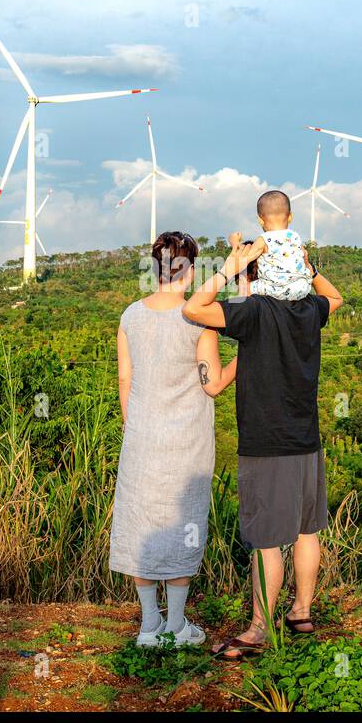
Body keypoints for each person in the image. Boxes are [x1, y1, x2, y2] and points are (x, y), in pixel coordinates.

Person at [183, 191, 344, 659]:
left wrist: (231, 266)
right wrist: (308, 269)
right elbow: (335, 296)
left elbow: (194, 309)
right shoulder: (309, 312)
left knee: (267, 541)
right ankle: (302, 610)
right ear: (290, 224)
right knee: (307, 532)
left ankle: (258, 629)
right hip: (307, 439)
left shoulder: (252, 313)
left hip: (265, 441)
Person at [111, 231, 237, 647]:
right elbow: (214, 384)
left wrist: (136, 427)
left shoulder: (130, 316)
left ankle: (150, 625)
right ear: (191, 269)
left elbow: (125, 378)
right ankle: (179, 625)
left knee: (142, 522)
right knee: (184, 522)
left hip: (142, 437)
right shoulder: (198, 317)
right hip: (187, 441)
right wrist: (249, 356)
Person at [229, 190, 313, 300]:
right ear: (290, 217)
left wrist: (234, 242)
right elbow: (304, 255)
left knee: (245, 289)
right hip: (302, 289)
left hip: (274, 291)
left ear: (260, 220)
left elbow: (244, 257)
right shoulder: (296, 237)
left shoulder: (263, 240)